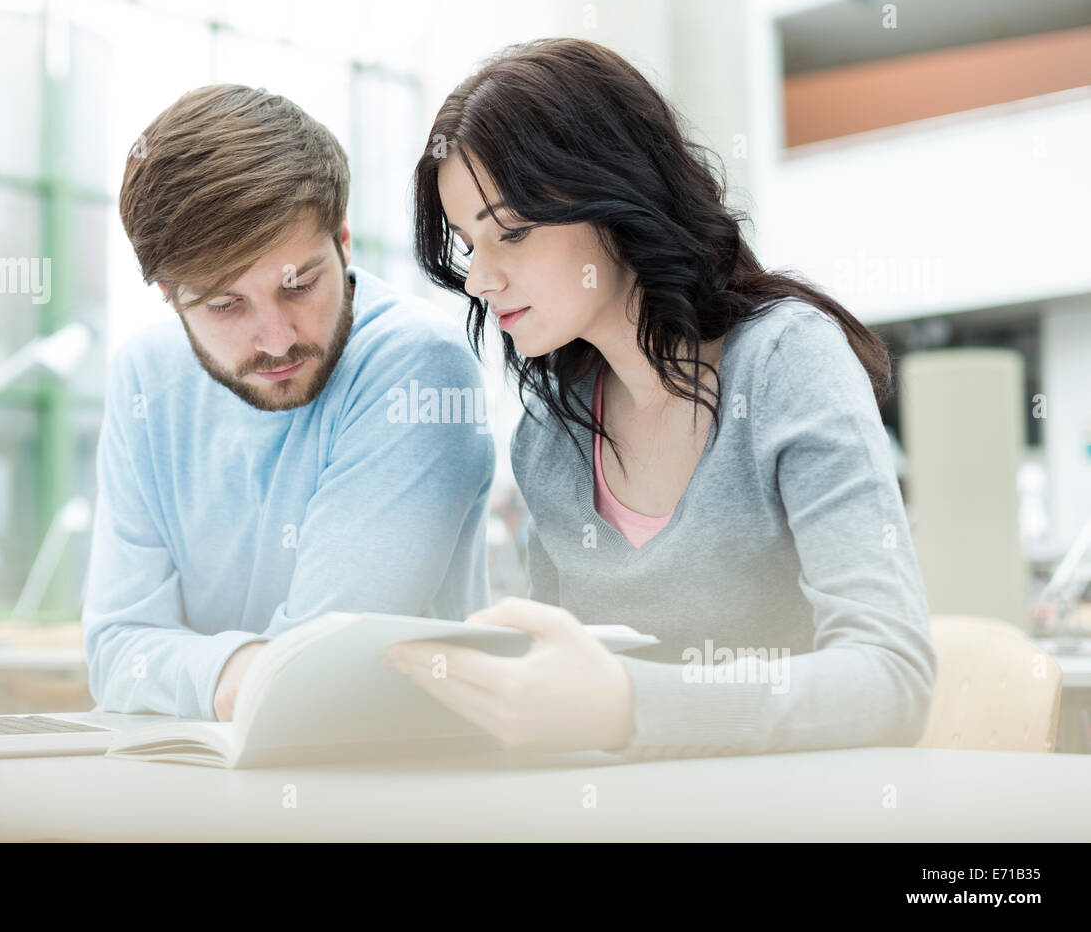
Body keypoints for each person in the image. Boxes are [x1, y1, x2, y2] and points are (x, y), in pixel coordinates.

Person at [383, 38, 938, 760]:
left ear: (618, 198)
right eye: (468, 246)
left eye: (511, 234)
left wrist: (627, 705)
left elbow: (891, 680)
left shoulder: (785, 362)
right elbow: (558, 689)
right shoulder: (550, 435)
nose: (481, 280)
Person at [83, 84, 495, 722]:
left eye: (299, 284)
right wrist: (242, 677)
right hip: (203, 787)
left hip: (388, 793)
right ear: (169, 295)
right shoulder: (146, 377)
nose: (277, 340)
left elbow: (315, 673)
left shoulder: (417, 368)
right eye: (226, 305)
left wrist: (199, 674)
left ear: (344, 241)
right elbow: (114, 652)